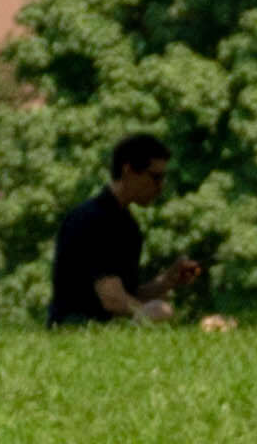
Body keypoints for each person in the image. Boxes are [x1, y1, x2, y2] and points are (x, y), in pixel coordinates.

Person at [48, 133, 207, 325]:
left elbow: (128, 295)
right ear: (128, 170)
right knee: (161, 310)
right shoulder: (92, 219)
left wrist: (167, 281)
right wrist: (158, 318)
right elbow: (112, 300)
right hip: (75, 325)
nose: (160, 187)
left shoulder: (128, 226)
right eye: (156, 177)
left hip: (106, 326)